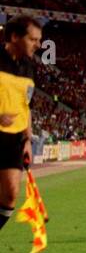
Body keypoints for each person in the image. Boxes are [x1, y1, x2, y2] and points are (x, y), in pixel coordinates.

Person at [0, 15, 40, 236]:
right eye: (33, 39)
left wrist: (27, 140)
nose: (38, 44)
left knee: (10, 195)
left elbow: (27, 107)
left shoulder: (29, 68)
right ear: (15, 36)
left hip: (14, 139)